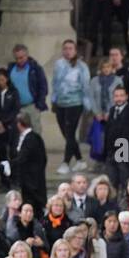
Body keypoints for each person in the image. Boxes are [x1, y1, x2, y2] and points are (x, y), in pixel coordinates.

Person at [52, 40, 92, 175]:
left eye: (70, 48)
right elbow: (55, 83)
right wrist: (54, 99)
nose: (67, 51)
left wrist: (87, 104)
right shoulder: (58, 64)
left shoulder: (81, 66)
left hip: (75, 103)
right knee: (66, 133)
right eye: (65, 48)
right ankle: (80, 160)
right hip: (60, 103)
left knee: (70, 132)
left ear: (75, 50)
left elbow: (86, 86)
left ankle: (65, 162)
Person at [10, 113, 49, 215]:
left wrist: (8, 165)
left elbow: (23, 158)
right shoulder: (31, 137)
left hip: (32, 182)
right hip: (28, 180)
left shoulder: (31, 139)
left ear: (19, 124)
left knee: (33, 207)